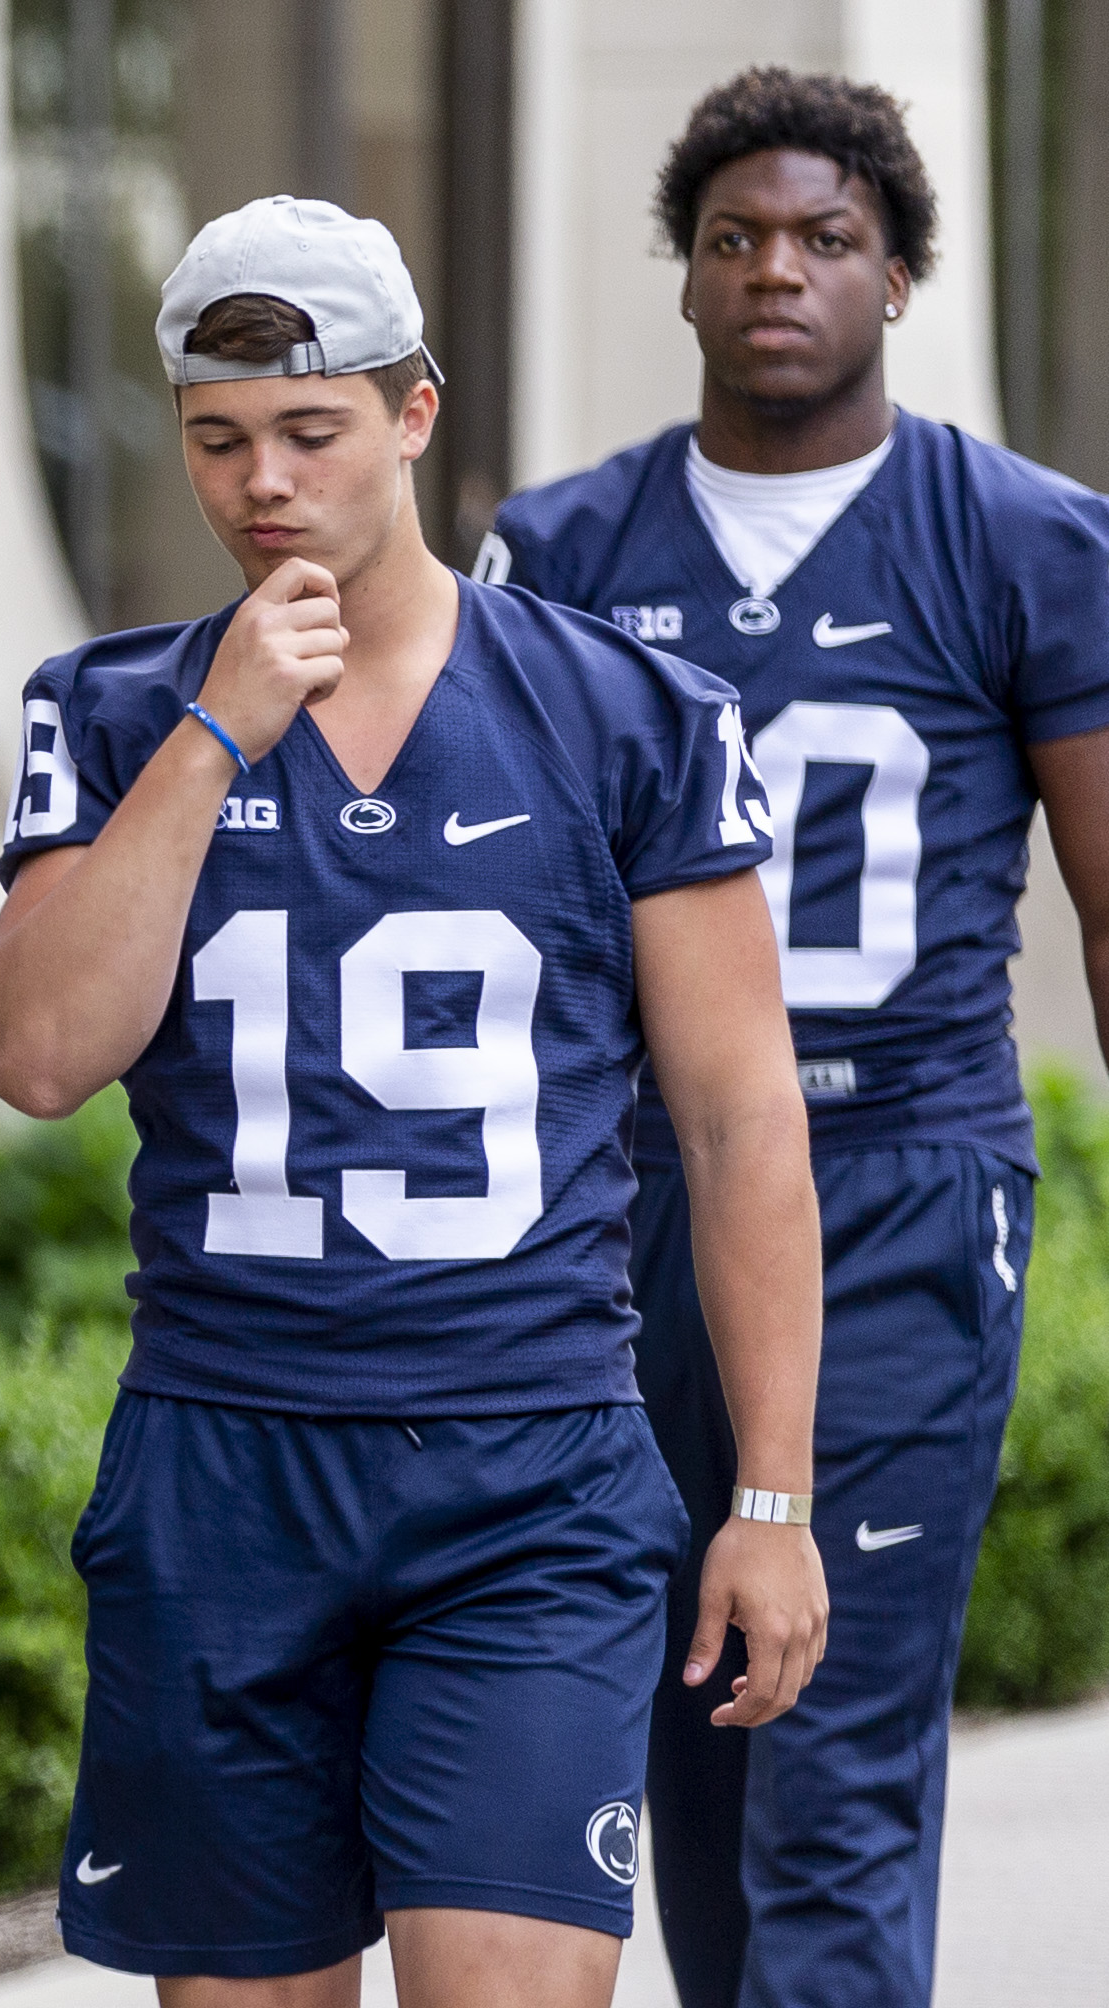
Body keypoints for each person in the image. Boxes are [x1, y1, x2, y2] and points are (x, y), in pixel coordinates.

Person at [0, 195, 829, 2008]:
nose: (262, 482)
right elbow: (42, 1059)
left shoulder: (628, 713)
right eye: (218, 441)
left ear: (416, 414)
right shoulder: (118, 710)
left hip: (527, 1464)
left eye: (312, 431)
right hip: (225, 1459)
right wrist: (213, 737)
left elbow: (744, 1121)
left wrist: (772, 1490)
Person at [482, 68, 1109, 2008]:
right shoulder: (568, 546)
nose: (779, 271)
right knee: (698, 1715)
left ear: (902, 275)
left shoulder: (1026, 537)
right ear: (684, 275)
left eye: (826, 236)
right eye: (739, 236)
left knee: (833, 1754)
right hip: (646, 1189)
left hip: (900, 1171)